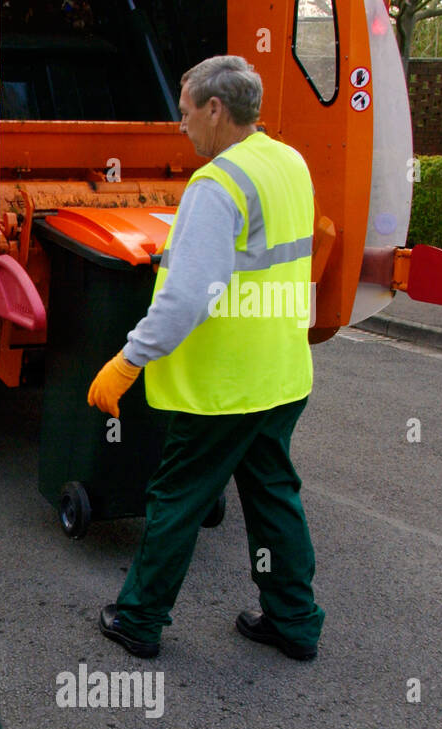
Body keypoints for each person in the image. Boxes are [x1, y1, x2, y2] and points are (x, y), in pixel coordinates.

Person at [87, 55, 324, 661]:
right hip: (282, 373)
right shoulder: (288, 161)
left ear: (216, 109)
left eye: (187, 112)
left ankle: (139, 619)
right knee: (274, 494)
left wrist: (128, 360)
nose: (183, 125)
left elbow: (187, 296)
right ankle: (294, 621)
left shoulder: (216, 185)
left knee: (177, 499)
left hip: (225, 387)